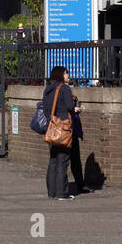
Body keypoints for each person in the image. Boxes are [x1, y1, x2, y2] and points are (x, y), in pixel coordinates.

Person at [43, 66, 79, 201]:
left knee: (53, 160)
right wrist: (76, 108)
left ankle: (51, 192)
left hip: (51, 128)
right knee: (63, 161)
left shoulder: (48, 89)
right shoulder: (64, 88)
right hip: (63, 128)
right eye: (66, 73)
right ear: (61, 75)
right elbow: (69, 107)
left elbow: (47, 107)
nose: (68, 76)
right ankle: (62, 193)